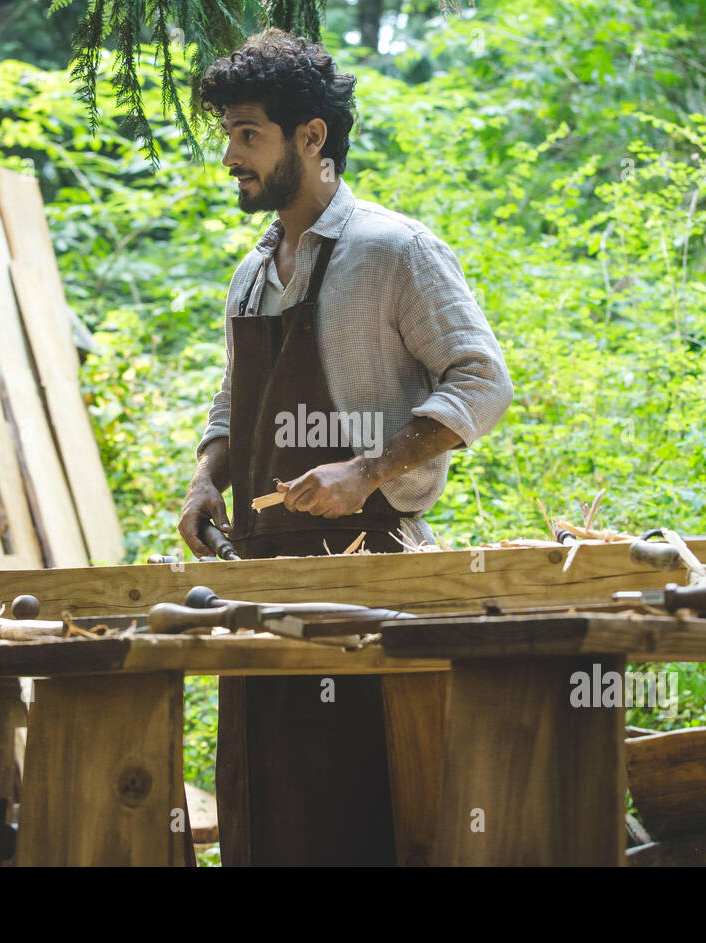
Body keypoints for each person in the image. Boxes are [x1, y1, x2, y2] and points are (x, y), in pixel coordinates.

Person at [178, 28, 514, 866]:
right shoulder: (253, 272)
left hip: (371, 579)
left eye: (247, 134)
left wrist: (367, 469)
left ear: (312, 138)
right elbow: (236, 396)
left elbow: (483, 384)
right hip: (259, 591)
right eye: (228, 136)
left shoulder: (395, 251)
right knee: (269, 820)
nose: (230, 157)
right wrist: (204, 478)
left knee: (371, 812)